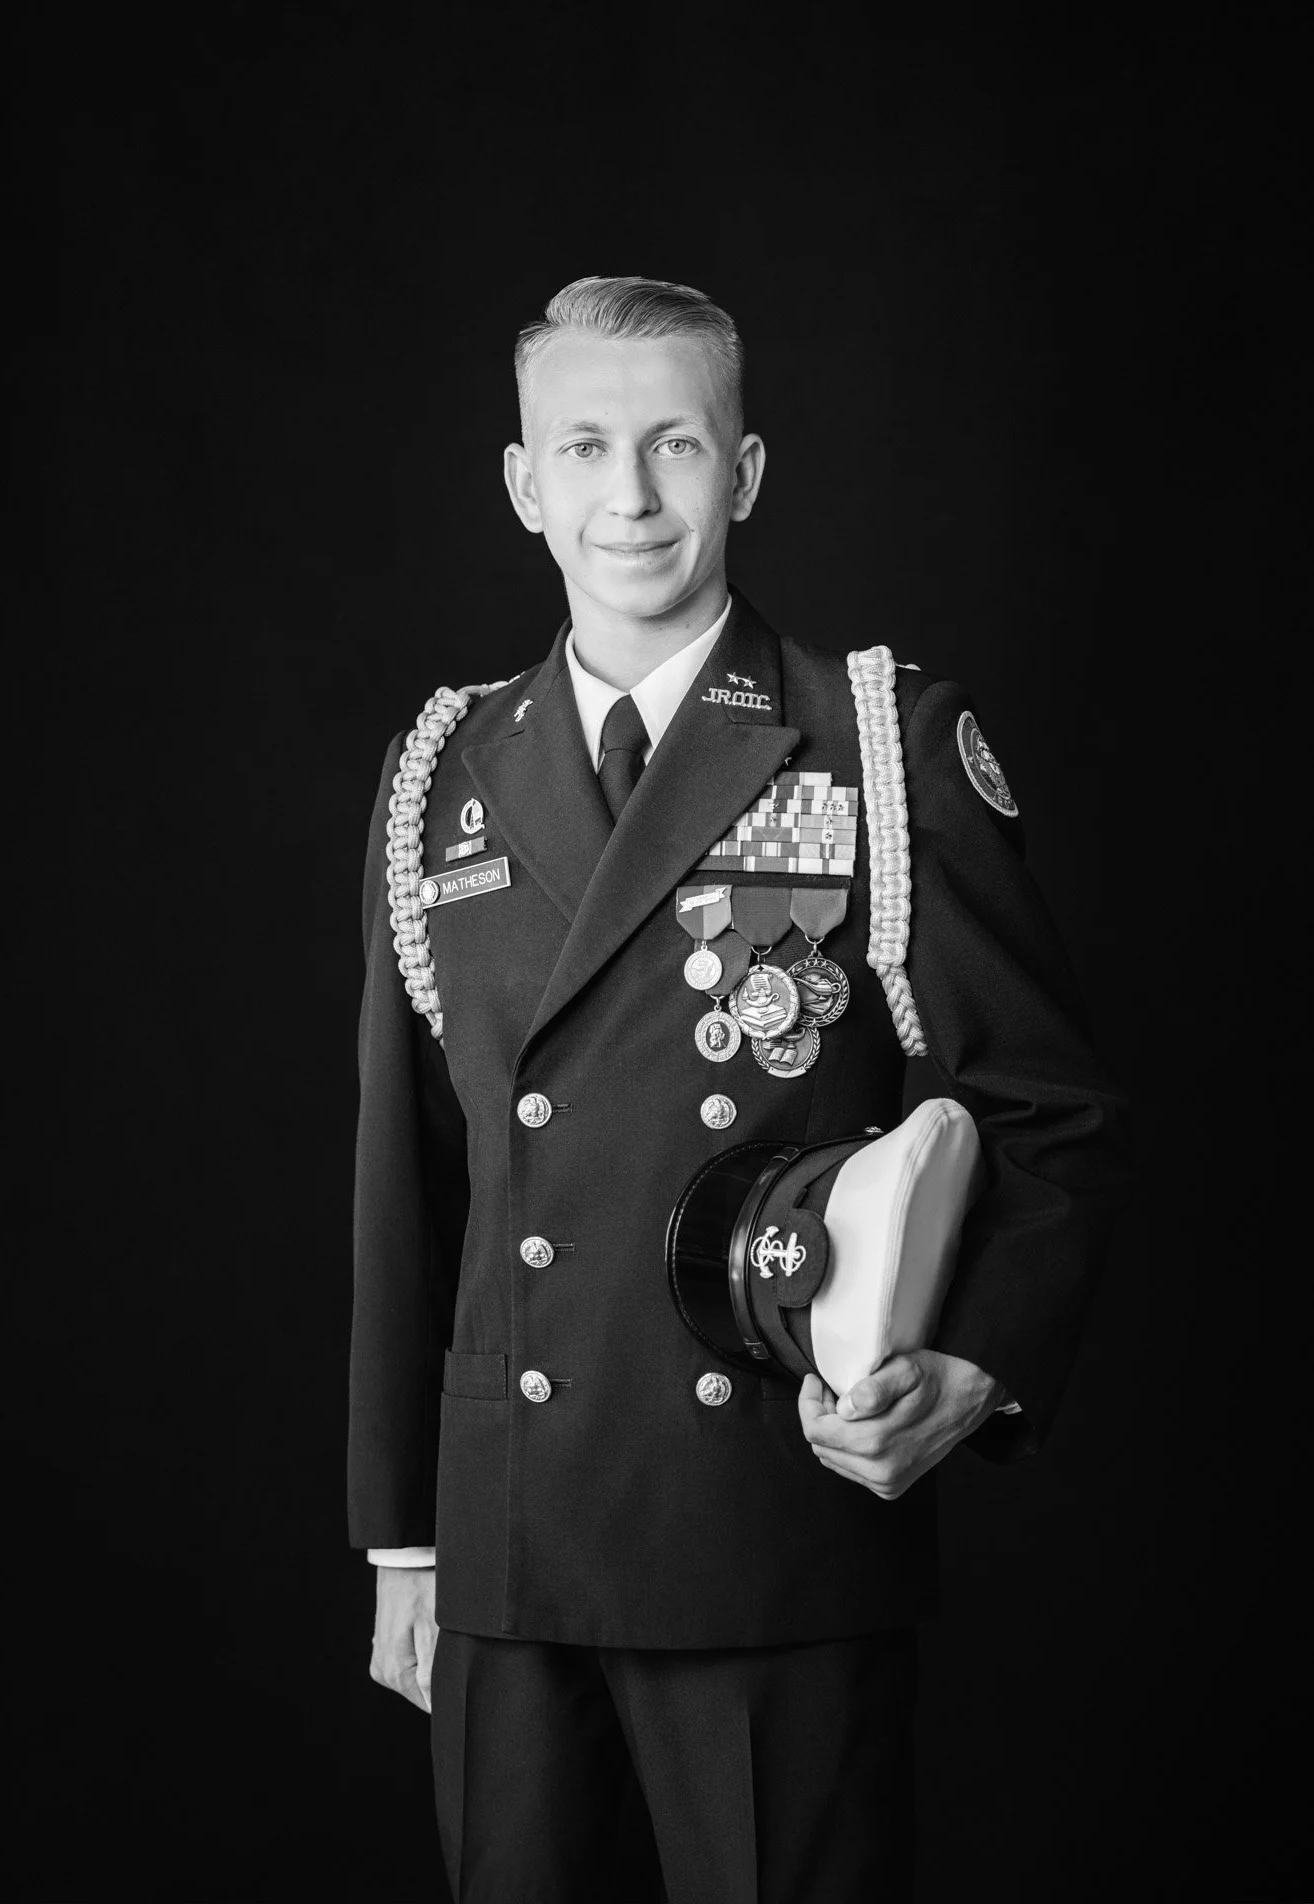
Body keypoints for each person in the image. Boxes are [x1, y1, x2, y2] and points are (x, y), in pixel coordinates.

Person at [350, 275, 1131, 1902]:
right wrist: (403, 1539)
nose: (627, 498)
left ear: (746, 471)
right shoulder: (441, 773)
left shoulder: (870, 743)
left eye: (674, 447)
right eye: (582, 447)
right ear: (521, 485)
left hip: (772, 1521)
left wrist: (973, 1368)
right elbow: (411, 1177)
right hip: (512, 1535)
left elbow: (1051, 1114)